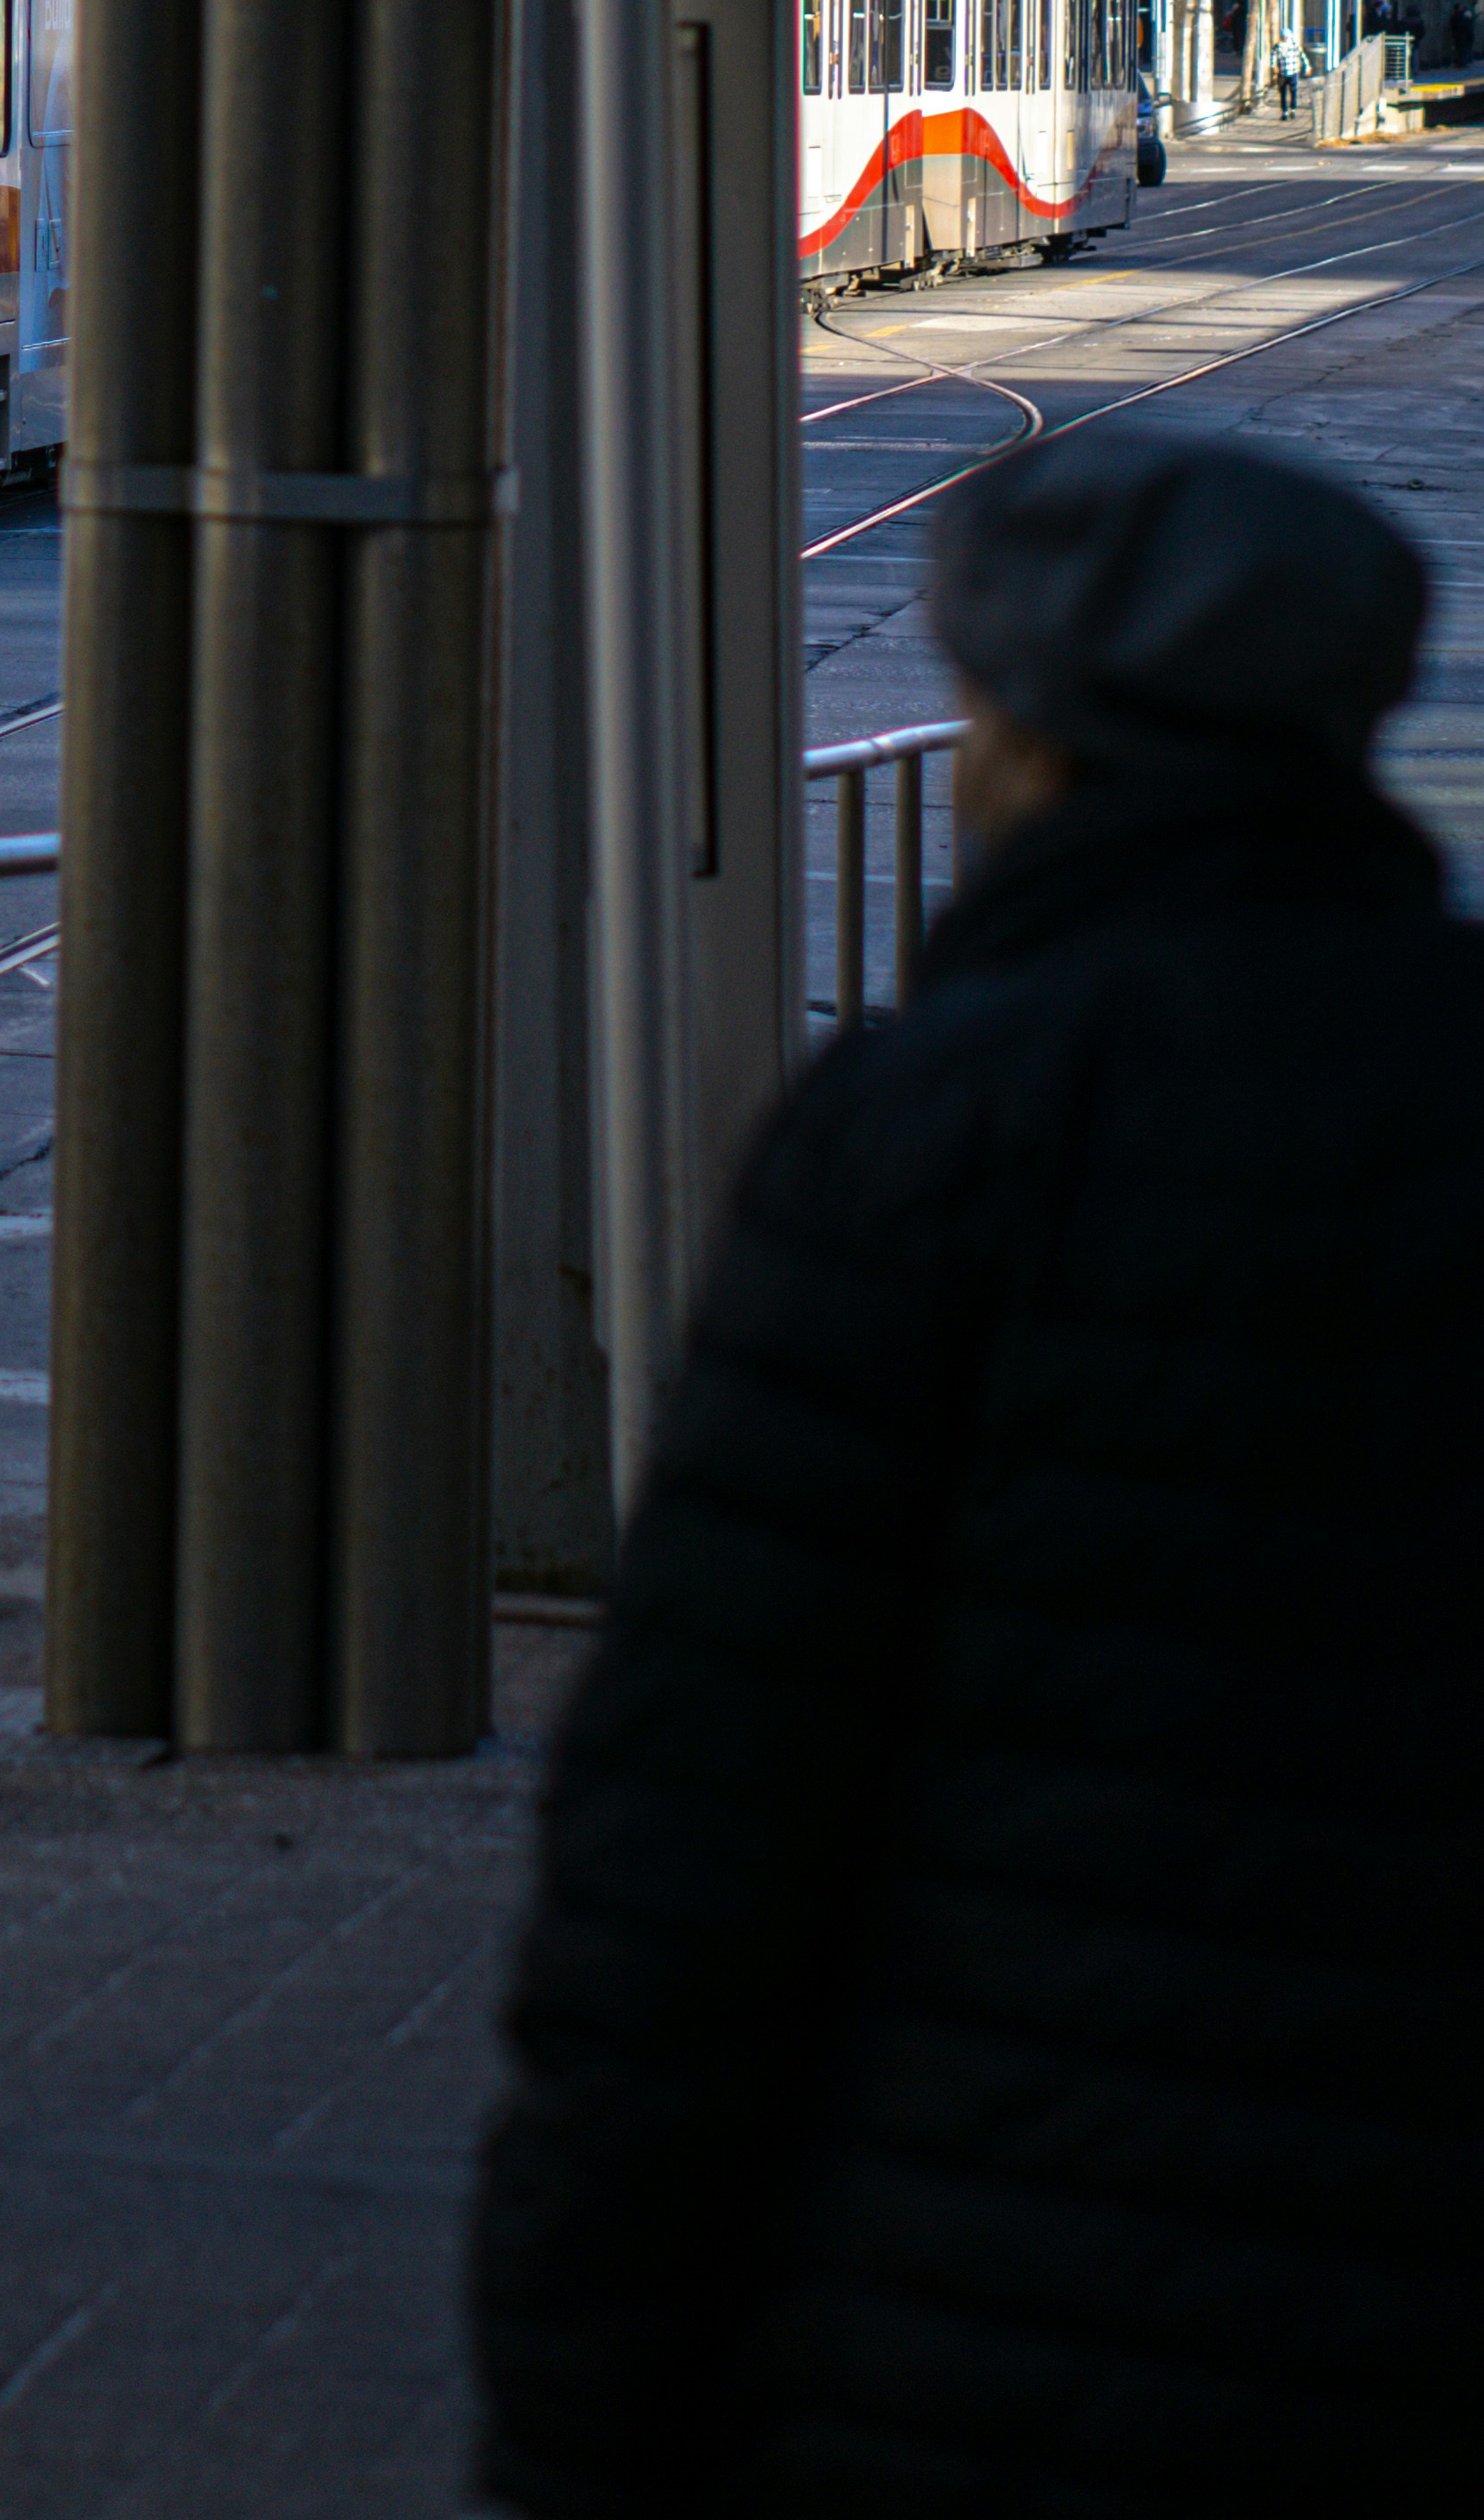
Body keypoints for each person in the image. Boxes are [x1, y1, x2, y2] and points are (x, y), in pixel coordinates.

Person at [473, 426, 1484, 2517]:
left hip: (979, 2283)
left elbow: (695, 1827)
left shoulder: (929, 1133)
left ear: (1020, 734)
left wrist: (588, 2388)